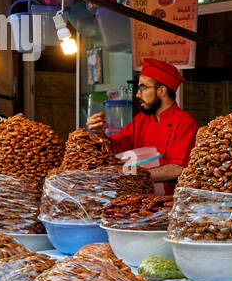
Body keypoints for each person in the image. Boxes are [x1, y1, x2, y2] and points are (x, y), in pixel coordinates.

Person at [85, 59, 198, 193]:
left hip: (170, 204)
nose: (138, 94)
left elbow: (179, 168)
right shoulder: (141, 120)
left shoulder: (185, 122)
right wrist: (99, 133)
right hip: (138, 201)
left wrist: (136, 176)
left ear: (161, 90)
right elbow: (115, 148)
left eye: (143, 87)